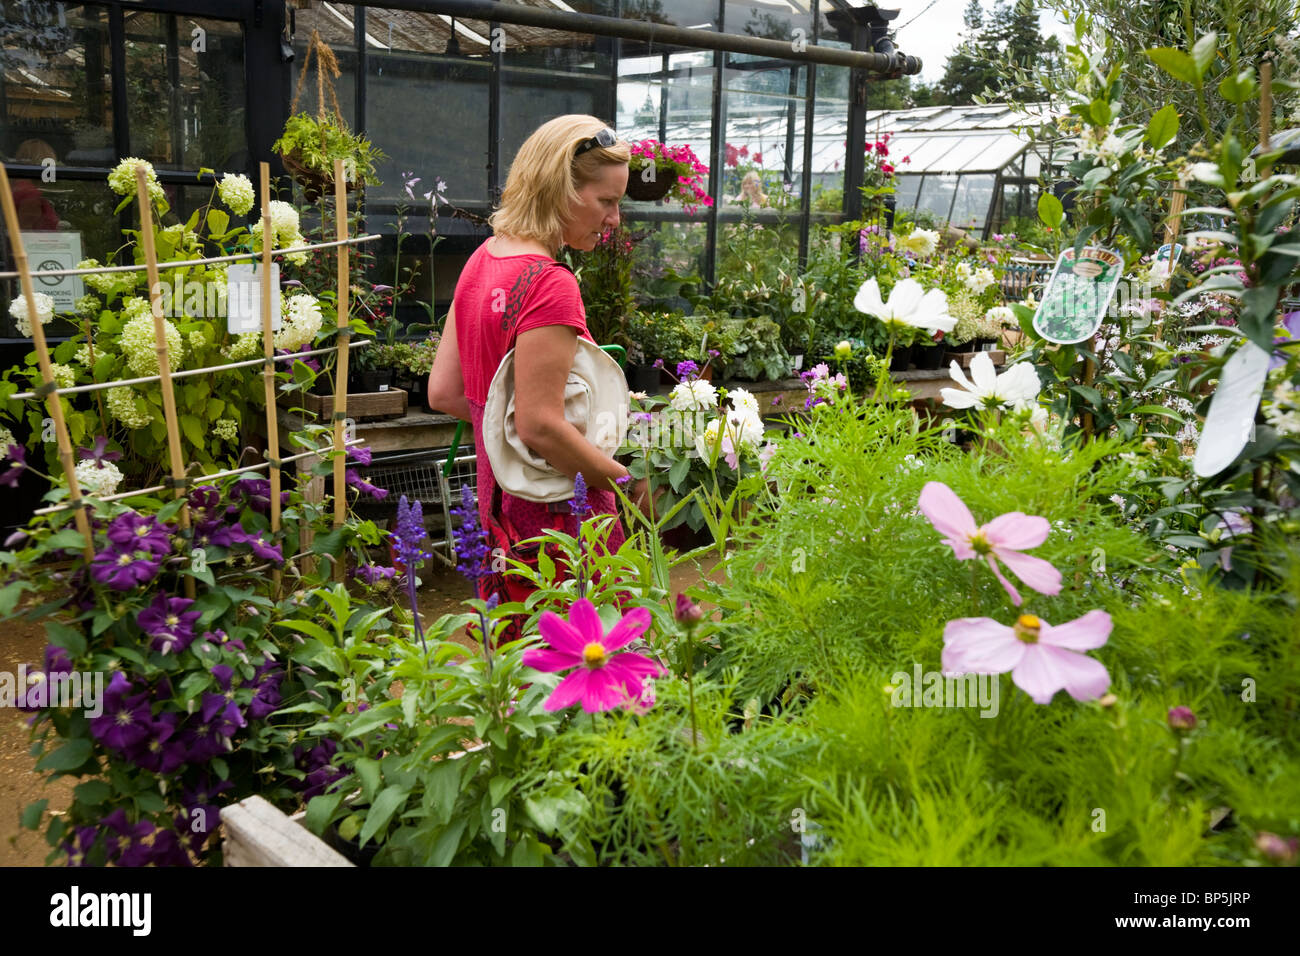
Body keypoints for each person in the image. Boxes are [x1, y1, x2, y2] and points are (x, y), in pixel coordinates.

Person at [427, 114, 652, 603]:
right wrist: (629, 483)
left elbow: (444, 392)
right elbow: (539, 425)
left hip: (498, 511)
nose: (615, 219)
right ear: (558, 190)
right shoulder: (551, 283)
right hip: (560, 526)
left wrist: (506, 429)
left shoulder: (483, 259)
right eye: (606, 201)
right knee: (592, 663)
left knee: (525, 665)